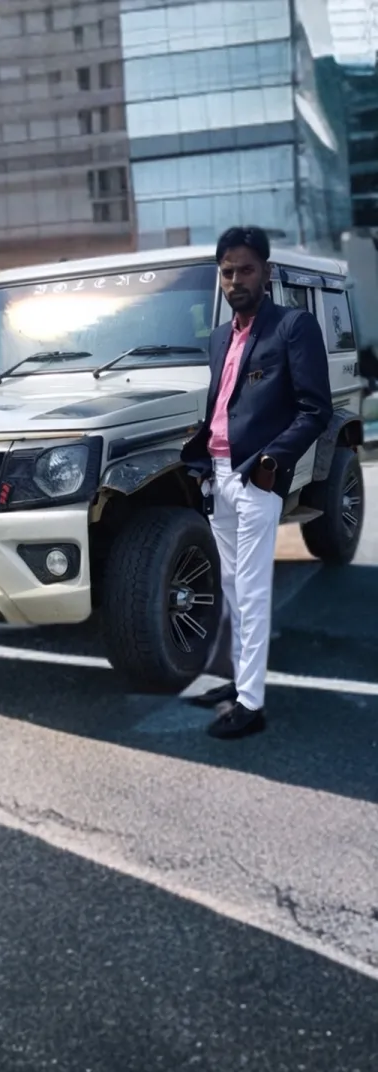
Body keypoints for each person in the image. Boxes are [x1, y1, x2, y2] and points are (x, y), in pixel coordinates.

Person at [181, 226, 333, 739]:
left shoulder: (293, 326)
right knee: (229, 588)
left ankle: (251, 703)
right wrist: (202, 460)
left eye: (246, 269)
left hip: (256, 478)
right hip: (218, 476)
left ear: (266, 272)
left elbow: (315, 409)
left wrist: (271, 462)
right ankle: (235, 682)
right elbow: (221, 406)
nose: (236, 279)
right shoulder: (221, 337)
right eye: (227, 271)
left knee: (251, 589)